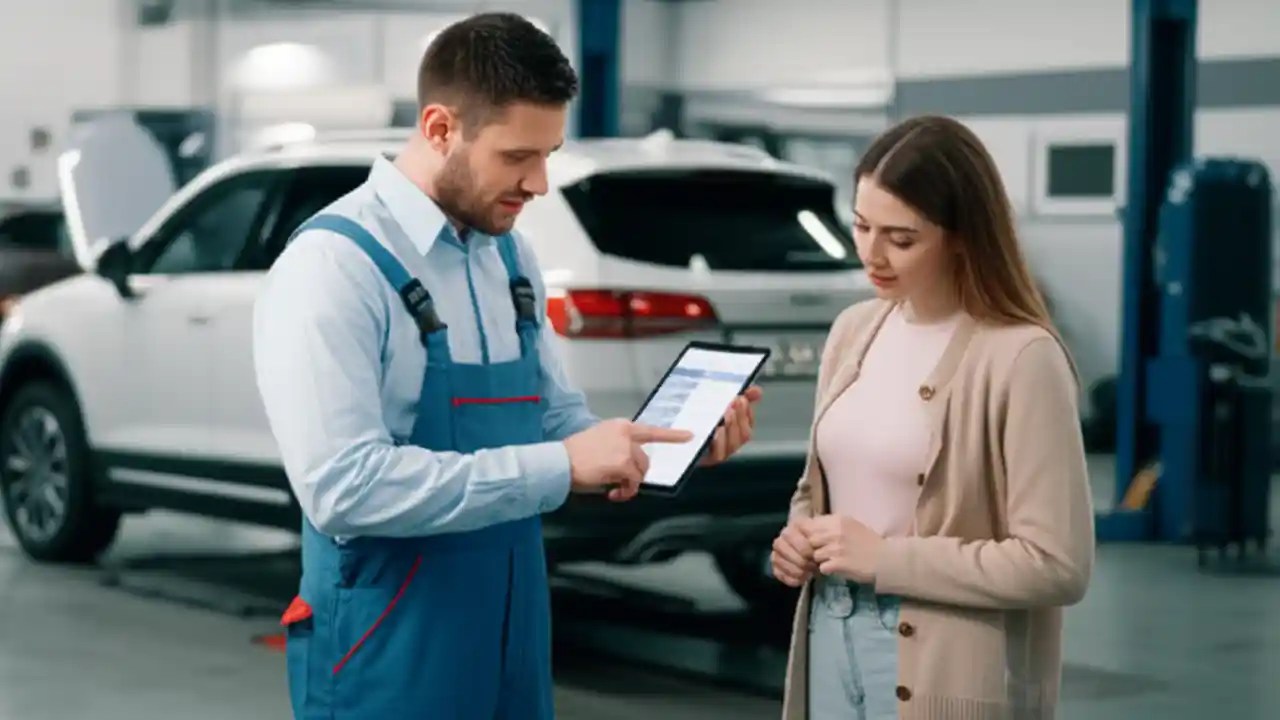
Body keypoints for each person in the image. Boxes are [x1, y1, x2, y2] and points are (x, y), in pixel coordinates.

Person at [252, 13, 761, 720]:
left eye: (549, 153)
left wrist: (651, 446)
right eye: (519, 156)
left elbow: (554, 418)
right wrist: (559, 466)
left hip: (511, 633)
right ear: (439, 129)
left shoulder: (508, 255)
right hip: (388, 643)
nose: (540, 182)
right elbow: (343, 488)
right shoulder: (333, 267)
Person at [770, 115, 1095, 719]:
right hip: (827, 627)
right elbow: (821, 487)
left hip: (939, 656)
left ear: (963, 236)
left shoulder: (1021, 357)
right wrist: (799, 536)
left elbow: (1058, 564)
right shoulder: (854, 332)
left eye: (902, 238)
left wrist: (888, 560)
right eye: (862, 226)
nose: (872, 253)